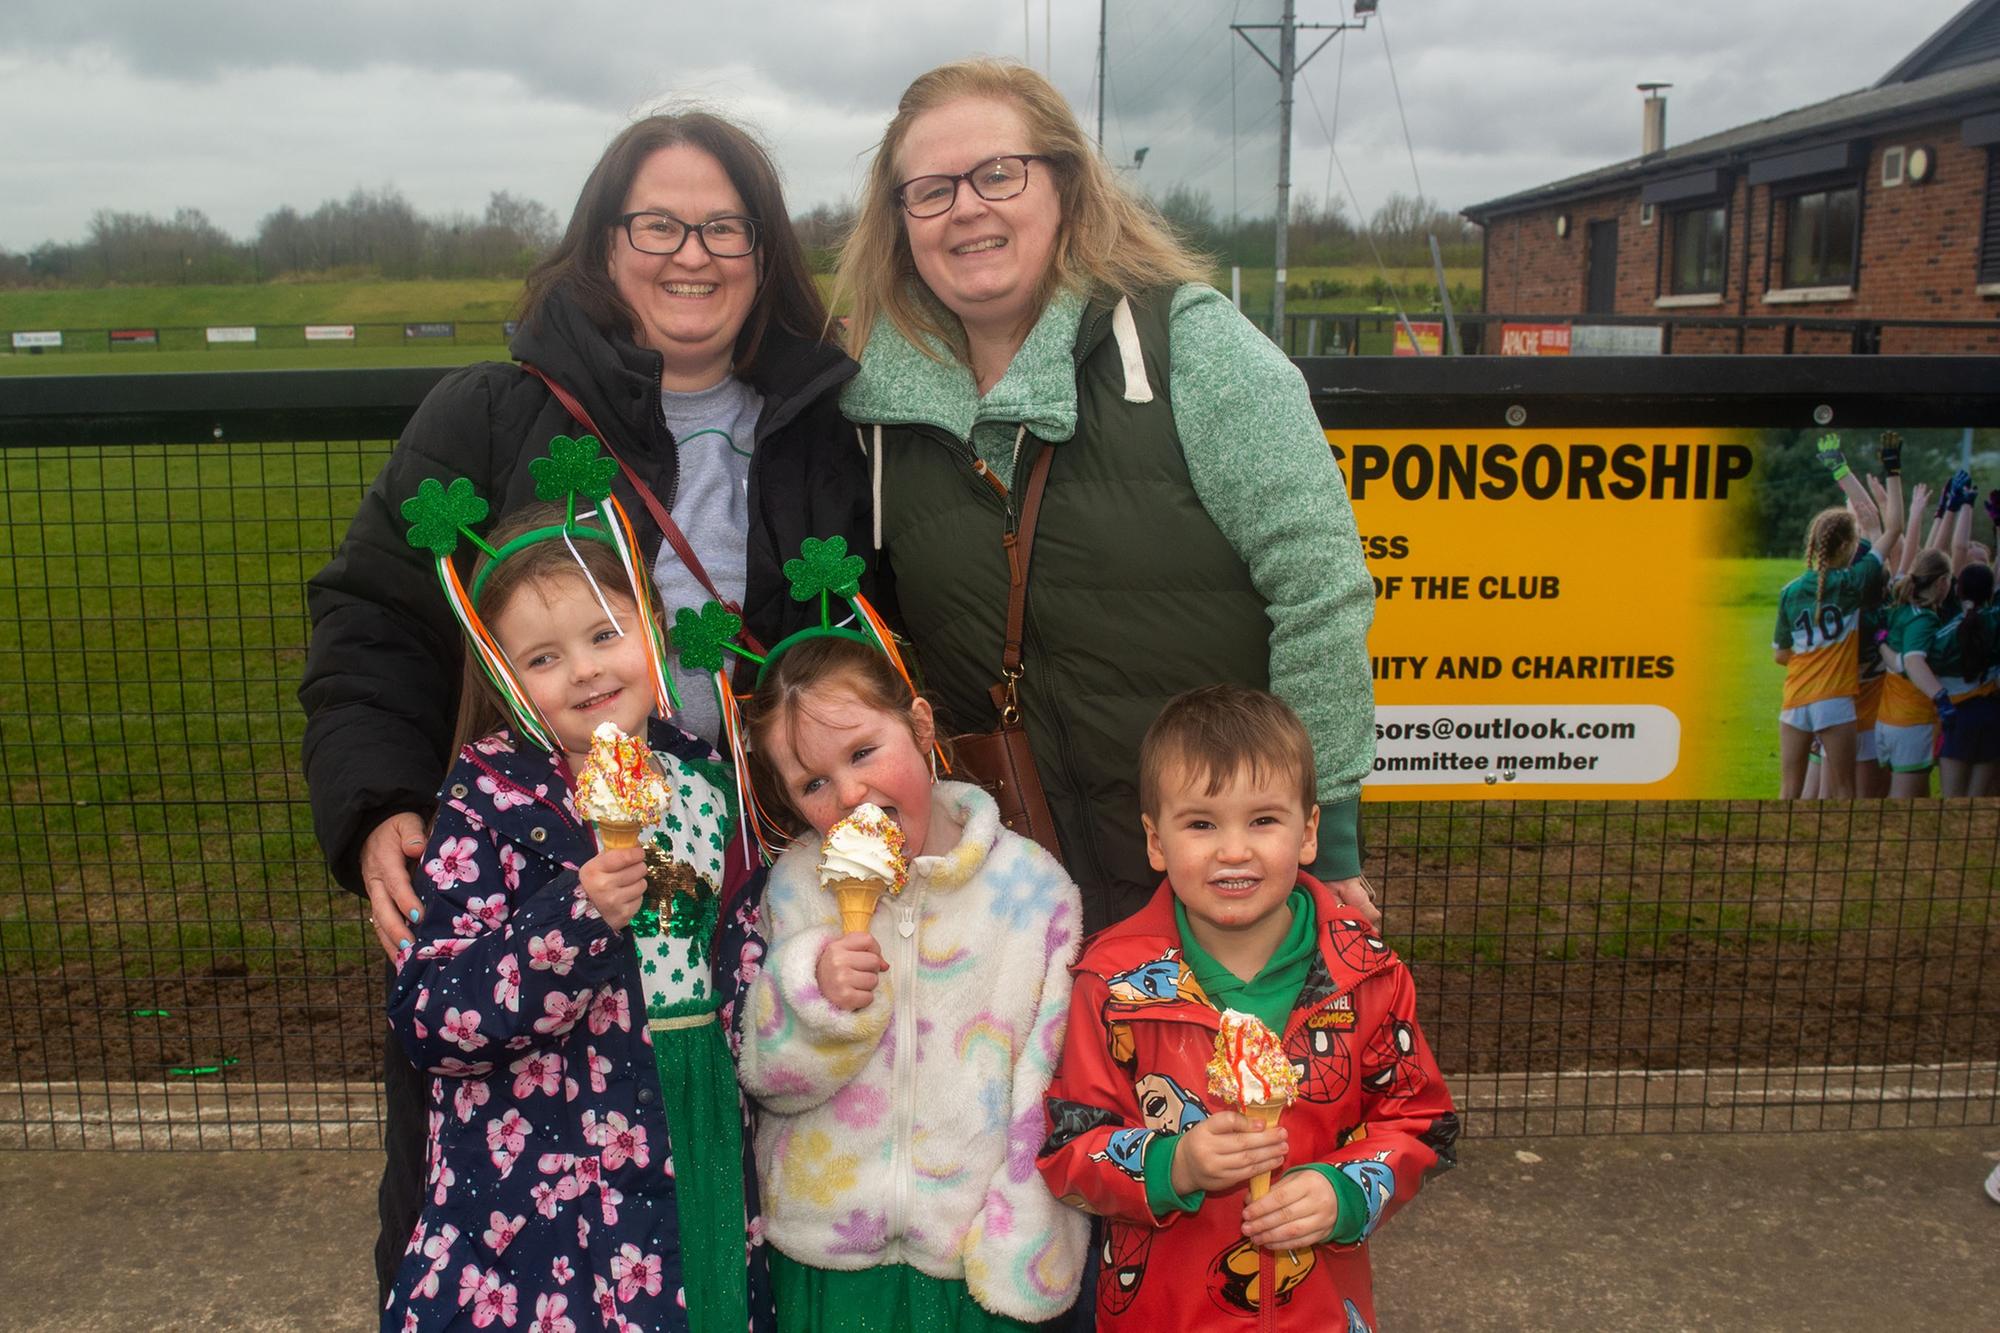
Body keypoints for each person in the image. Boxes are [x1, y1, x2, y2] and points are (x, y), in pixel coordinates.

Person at [299, 111, 870, 1298]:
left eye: (724, 227)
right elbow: (373, 618)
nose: (691, 254)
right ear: (605, 242)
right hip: (535, 876)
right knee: (496, 1225)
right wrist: (377, 800)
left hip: (736, 873)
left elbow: (866, 639)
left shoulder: (824, 429)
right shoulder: (493, 411)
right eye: (658, 225)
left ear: (763, 252)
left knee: (718, 1214)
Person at [833, 58, 1377, 936]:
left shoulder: (1186, 344)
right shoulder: (869, 414)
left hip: (1219, 885)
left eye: (999, 173)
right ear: (899, 224)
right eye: (930, 191)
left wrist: (1322, 835)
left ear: (1067, 185)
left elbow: (1320, 589)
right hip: (1012, 905)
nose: (966, 207)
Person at [382, 501, 769, 1331]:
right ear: (502, 674)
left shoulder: (707, 783)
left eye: (604, 634)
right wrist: (574, 920)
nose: (585, 671)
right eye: (543, 657)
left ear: (653, 628)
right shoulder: (490, 804)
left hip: (694, 1138)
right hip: (542, 1183)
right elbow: (429, 1014)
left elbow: (742, 953)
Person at [1037, 686, 1457, 1329]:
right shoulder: (1112, 985)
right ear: (1155, 841)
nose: (1234, 850)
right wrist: (1173, 1164)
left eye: (1263, 821)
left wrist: (1346, 1191)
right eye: (1201, 824)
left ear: (1308, 832)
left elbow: (1421, 1122)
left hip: (1321, 1313)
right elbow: (1069, 1153)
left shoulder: (1368, 975)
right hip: (1163, 1315)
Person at [731, 635, 1090, 1331]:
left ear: (921, 728)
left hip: (970, 1259)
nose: (849, 793)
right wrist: (813, 997)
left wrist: (1021, 1237)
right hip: (824, 1253)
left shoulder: (1032, 890)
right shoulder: (798, 885)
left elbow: (1048, 1081)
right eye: (813, 784)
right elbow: (765, 1079)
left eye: (863, 752)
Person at [1771, 436, 1902, 799]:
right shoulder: (1853, 584)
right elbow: (1891, 530)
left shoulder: (1790, 590)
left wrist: (1811, 656)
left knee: (1789, 790)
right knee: (1844, 792)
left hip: (1795, 698)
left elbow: (1780, 655)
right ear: (1846, 546)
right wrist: (1892, 470)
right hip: (1834, 701)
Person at [1875, 547, 1954, 797]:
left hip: (1891, 719)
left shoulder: (1901, 608)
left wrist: (1881, 644)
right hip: (1911, 722)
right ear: (1942, 582)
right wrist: (1941, 697)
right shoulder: (1922, 619)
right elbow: (1912, 662)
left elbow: (1898, 661)